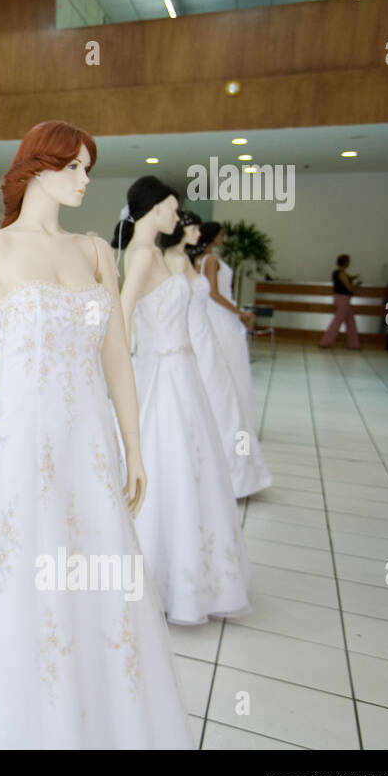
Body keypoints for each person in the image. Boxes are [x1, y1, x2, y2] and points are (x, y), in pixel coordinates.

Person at [0, 120, 189, 749]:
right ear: (38, 167)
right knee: (13, 578)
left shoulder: (95, 250)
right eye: (74, 168)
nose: (85, 181)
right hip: (20, 439)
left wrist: (135, 446)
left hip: (89, 446)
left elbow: (117, 355)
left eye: (89, 169)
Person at [115, 177, 250, 626]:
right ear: (154, 209)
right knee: (169, 464)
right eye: (172, 209)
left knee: (194, 467)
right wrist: (126, 369)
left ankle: (195, 577)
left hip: (184, 370)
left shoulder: (155, 254)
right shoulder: (141, 255)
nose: (177, 218)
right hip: (165, 371)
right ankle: (160, 577)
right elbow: (122, 313)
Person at [164, 209, 270, 500]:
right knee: (213, 396)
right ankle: (209, 470)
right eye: (193, 228)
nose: (199, 233)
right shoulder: (180, 261)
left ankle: (237, 471)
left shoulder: (189, 261)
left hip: (206, 332)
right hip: (198, 330)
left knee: (225, 397)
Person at [199, 222, 262, 429]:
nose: (223, 237)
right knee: (230, 364)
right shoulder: (210, 260)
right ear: (213, 236)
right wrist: (240, 312)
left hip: (216, 313)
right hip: (220, 314)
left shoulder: (202, 258)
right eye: (220, 234)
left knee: (221, 363)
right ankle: (228, 416)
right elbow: (214, 293)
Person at [318, 254, 362, 349]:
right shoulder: (342, 274)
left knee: (350, 321)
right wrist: (357, 285)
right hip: (343, 299)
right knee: (337, 321)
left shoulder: (337, 273)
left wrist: (353, 279)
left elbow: (345, 281)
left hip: (340, 298)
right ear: (346, 263)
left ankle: (354, 344)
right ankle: (325, 342)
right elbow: (349, 288)